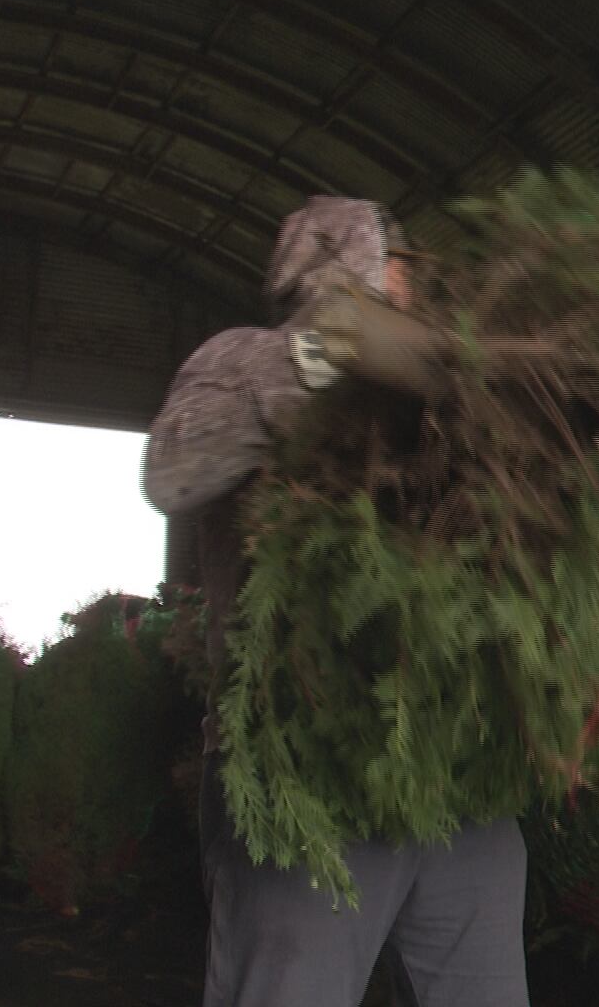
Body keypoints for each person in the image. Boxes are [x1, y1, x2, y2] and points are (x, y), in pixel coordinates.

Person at [141, 197, 531, 1007]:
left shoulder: (449, 390)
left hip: (456, 778)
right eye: (398, 267)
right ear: (347, 266)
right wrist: (329, 358)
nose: (413, 286)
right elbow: (172, 472)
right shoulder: (247, 358)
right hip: (304, 774)